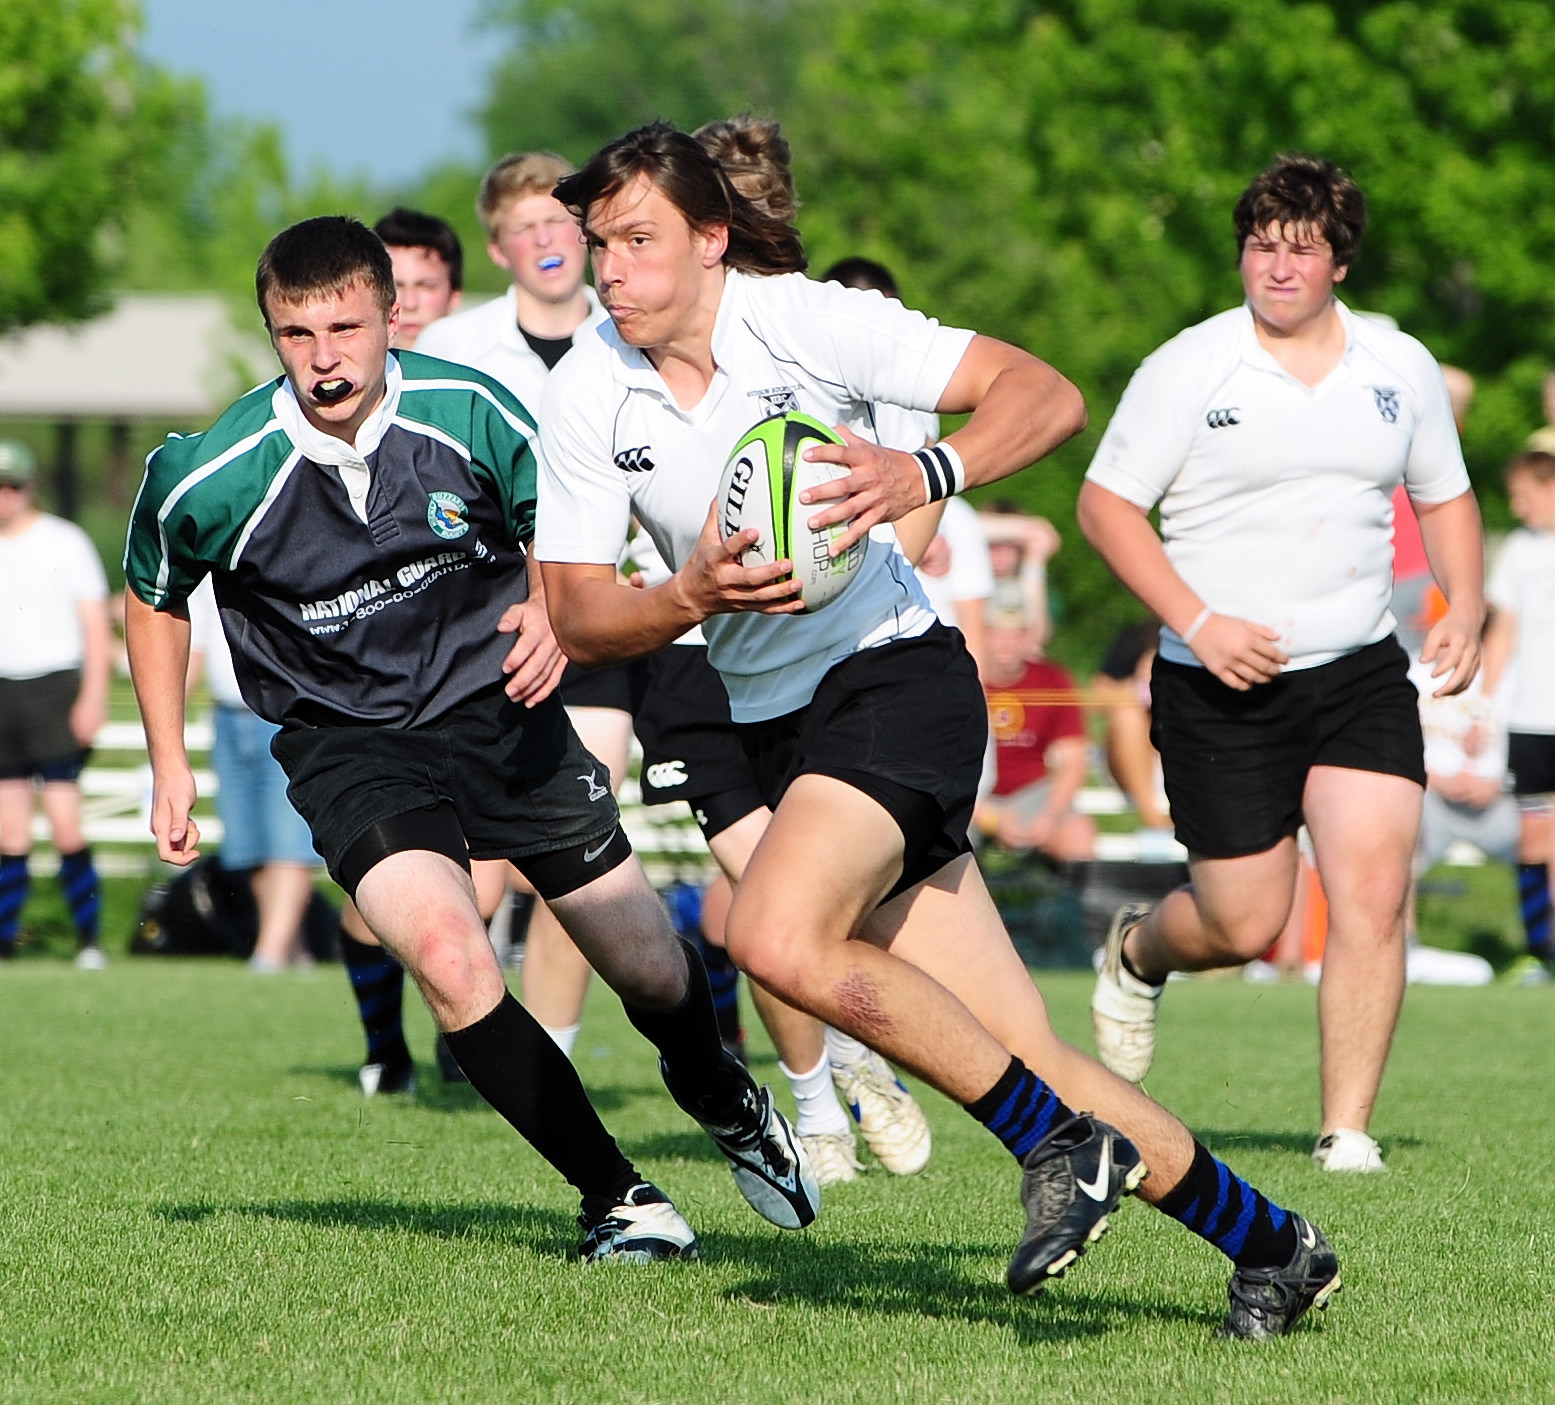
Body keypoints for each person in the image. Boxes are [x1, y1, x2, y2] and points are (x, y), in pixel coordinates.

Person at [536, 120, 1338, 1338]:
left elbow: (1044, 394)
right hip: (761, 721)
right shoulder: (590, 384)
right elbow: (575, 609)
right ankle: (1275, 1243)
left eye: (639, 241)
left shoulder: (803, 318)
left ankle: (1057, 1149)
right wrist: (686, 596)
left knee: (768, 931)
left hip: (891, 680)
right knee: (1020, 1044)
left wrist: (925, 474)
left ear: (710, 239)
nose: (613, 270)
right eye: (600, 245)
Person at [123, 215, 822, 1264]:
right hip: (348, 744)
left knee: (648, 970)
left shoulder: (472, 410)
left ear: (391, 315)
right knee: (451, 957)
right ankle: (618, 1197)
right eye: (295, 335)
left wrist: (550, 610)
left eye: (344, 329)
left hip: (503, 712)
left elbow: (570, 524)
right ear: (271, 331)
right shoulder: (210, 472)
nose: (323, 360)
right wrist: (170, 761)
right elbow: (153, 594)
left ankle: (723, 1095)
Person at [1078, 154, 1484, 1175]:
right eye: (1261, 244)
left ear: (1340, 262)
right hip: (1216, 681)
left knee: (1372, 887)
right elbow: (1104, 507)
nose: (1276, 264)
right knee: (1245, 919)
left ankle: (1345, 1128)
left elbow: (1445, 496)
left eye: (1300, 247)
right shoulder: (1190, 364)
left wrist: (1466, 605)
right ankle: (1137, 952)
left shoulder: (1399, 365)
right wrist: (1198, 620)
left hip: (1356, 671)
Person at [0, 440, 110, 968]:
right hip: (3, 690)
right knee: (10, 829)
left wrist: (93, 695)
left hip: (54, 688)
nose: (5, 498)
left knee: (65, 821)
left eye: (12, 486)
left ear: (30, 488)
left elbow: (95, 625)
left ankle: (89, 939)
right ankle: (5, 935)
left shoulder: (65, 542)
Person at [187, 577, 321, 971]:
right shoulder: (203, 565)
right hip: (227, 716)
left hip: (285, 716)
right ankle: (292, 949)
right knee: (250, 847)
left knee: (289, 842)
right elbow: (192, 645)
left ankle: (269, 954)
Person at [1480, 450, 1555, 982]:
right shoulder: (1517, 552)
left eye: (1525, 492)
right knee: (1535, 840)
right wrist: (1479, 706)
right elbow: (1501, 632)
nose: (1516, 503)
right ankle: (1541, 949)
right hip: (1529, 720)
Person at [977, 611, 1096, 860]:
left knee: (1077, 833)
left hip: (1032, 795)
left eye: (1017, 634)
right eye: (996, 634)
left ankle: (1069, 899)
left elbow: (1074, 760)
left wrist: (1050, 816)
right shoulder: (958, 679)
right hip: (969, 799)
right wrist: (989, 819)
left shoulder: (1051, 680)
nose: (1007, 643)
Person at [373, 208, 464, 350]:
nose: (410, 304)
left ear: (454, 297)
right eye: (394, 286)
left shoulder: (484, 367)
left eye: (426, 287)